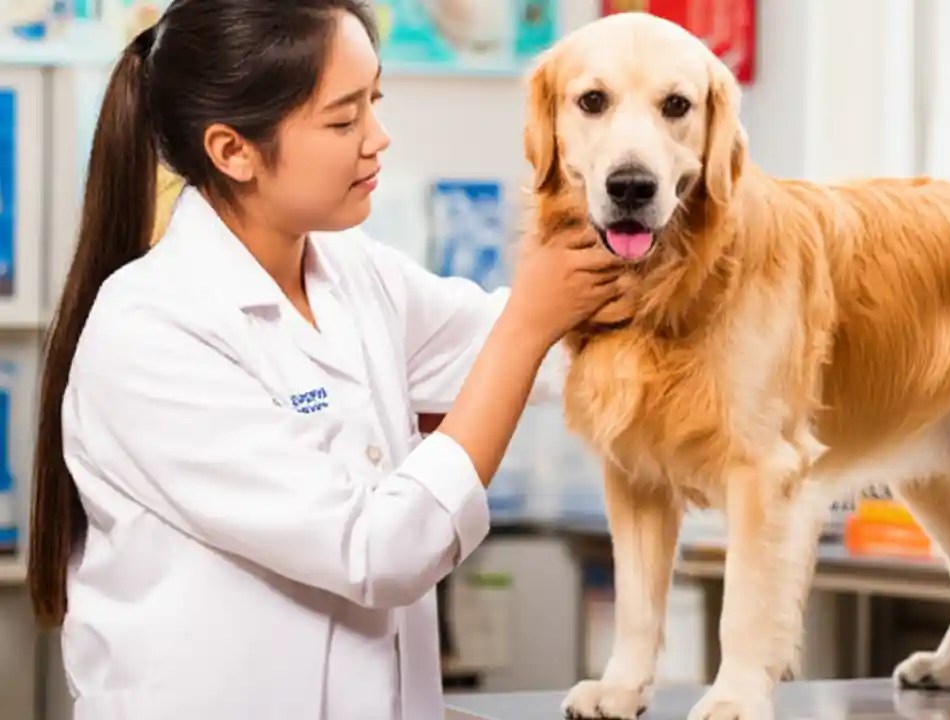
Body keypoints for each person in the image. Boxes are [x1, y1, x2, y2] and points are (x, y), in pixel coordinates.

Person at [25, 1, 625, 718]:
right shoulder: (152, 329)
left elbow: (511, 345)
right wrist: (532, 323)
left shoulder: (351, 271)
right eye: (344, 120)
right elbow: (376, 550)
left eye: (374, 102)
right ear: (232, 150)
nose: (378, 138)